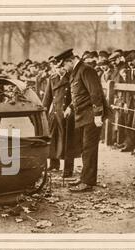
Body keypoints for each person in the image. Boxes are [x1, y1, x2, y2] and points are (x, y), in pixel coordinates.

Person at [54, 48, 109, 192]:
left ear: (70, 61)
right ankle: (86, 178)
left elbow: (95, 93)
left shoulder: (86, 70)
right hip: (83, 115)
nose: (64, 69)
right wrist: (70, 107)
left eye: (64, 66)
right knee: (86, 148)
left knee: (89, 148)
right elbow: (80, 94)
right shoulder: (76, 71)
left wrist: (98, 115)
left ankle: (87, 182)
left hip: (91, 115)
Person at [42, 57, 79, 177]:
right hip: (55, 114)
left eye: (60, 67)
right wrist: (43, 112)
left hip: (68, 114)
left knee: (68, 142)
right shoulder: (52, 78)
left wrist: (71, 108)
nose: (59, 70)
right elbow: (47, 98)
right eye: (56, 67)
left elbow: (76, 96)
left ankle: (68, 169)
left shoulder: (72, 77)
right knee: (53, 139)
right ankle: (54, 164)